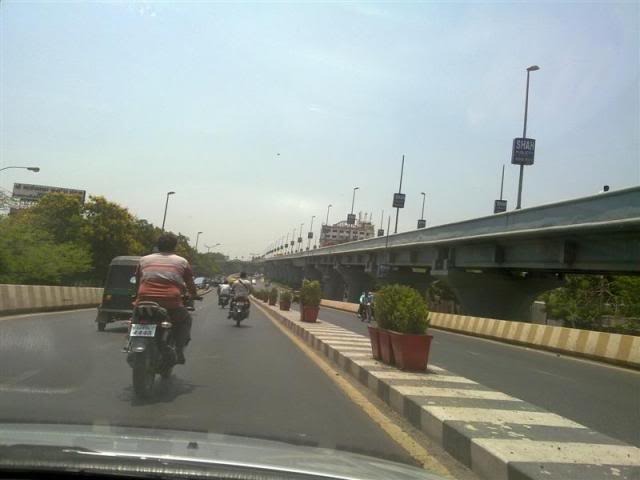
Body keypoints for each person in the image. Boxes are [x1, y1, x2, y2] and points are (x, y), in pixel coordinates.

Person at [135, 233, 199, 364]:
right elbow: (190, 284)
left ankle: (131, 342)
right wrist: (194, 295)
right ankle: (179, 349)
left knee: (134, 320)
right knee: (185, 320)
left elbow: (138, 281)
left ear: (157, 246)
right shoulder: (182, 261)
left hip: (144, 300)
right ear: (174, 246)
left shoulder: (143, 260)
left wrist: (139, 294)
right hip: (170, 302)